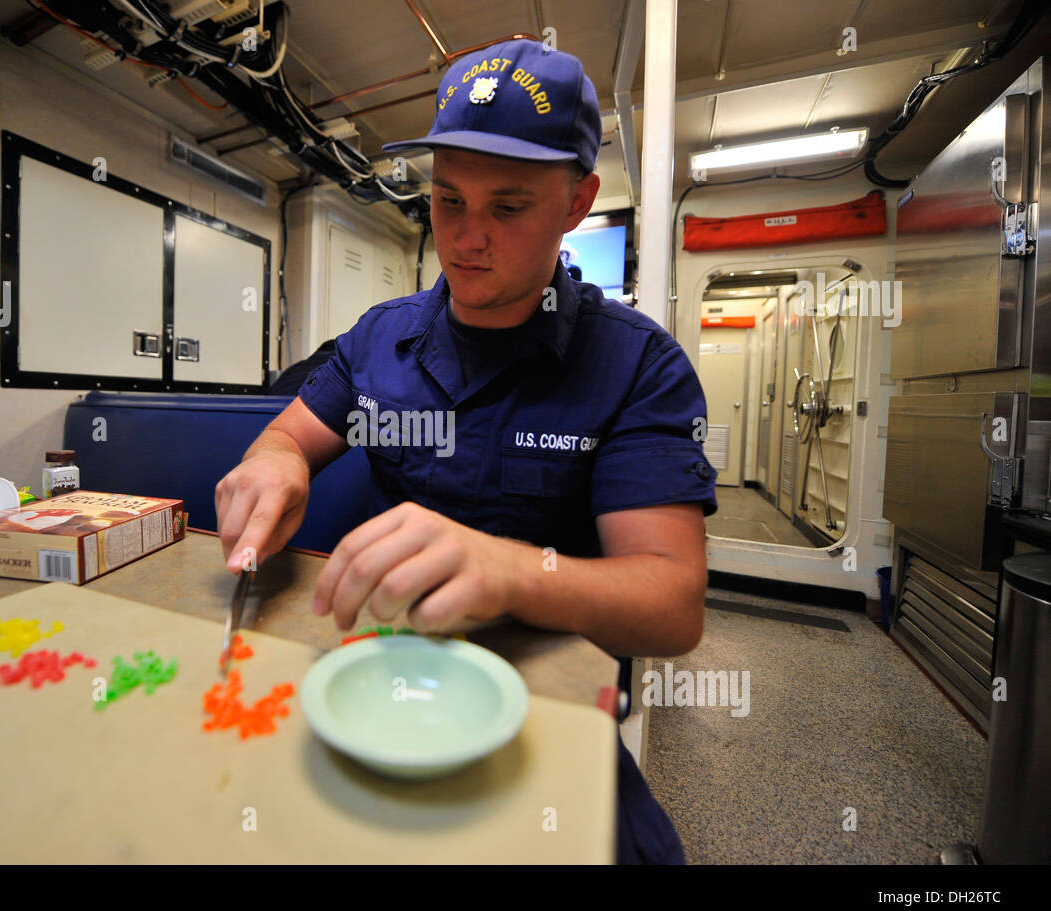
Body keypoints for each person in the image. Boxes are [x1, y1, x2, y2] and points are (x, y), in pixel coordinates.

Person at [215, 38, 717, 863]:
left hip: (546, 711)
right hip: (382, 686)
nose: (466, 237)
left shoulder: (637, 366)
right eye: (448, 200)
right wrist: (275, 459)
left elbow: (672, 603)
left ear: (577, 201)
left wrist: (515, 569)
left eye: (508, 208)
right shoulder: (380, 339)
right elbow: (287, 436)